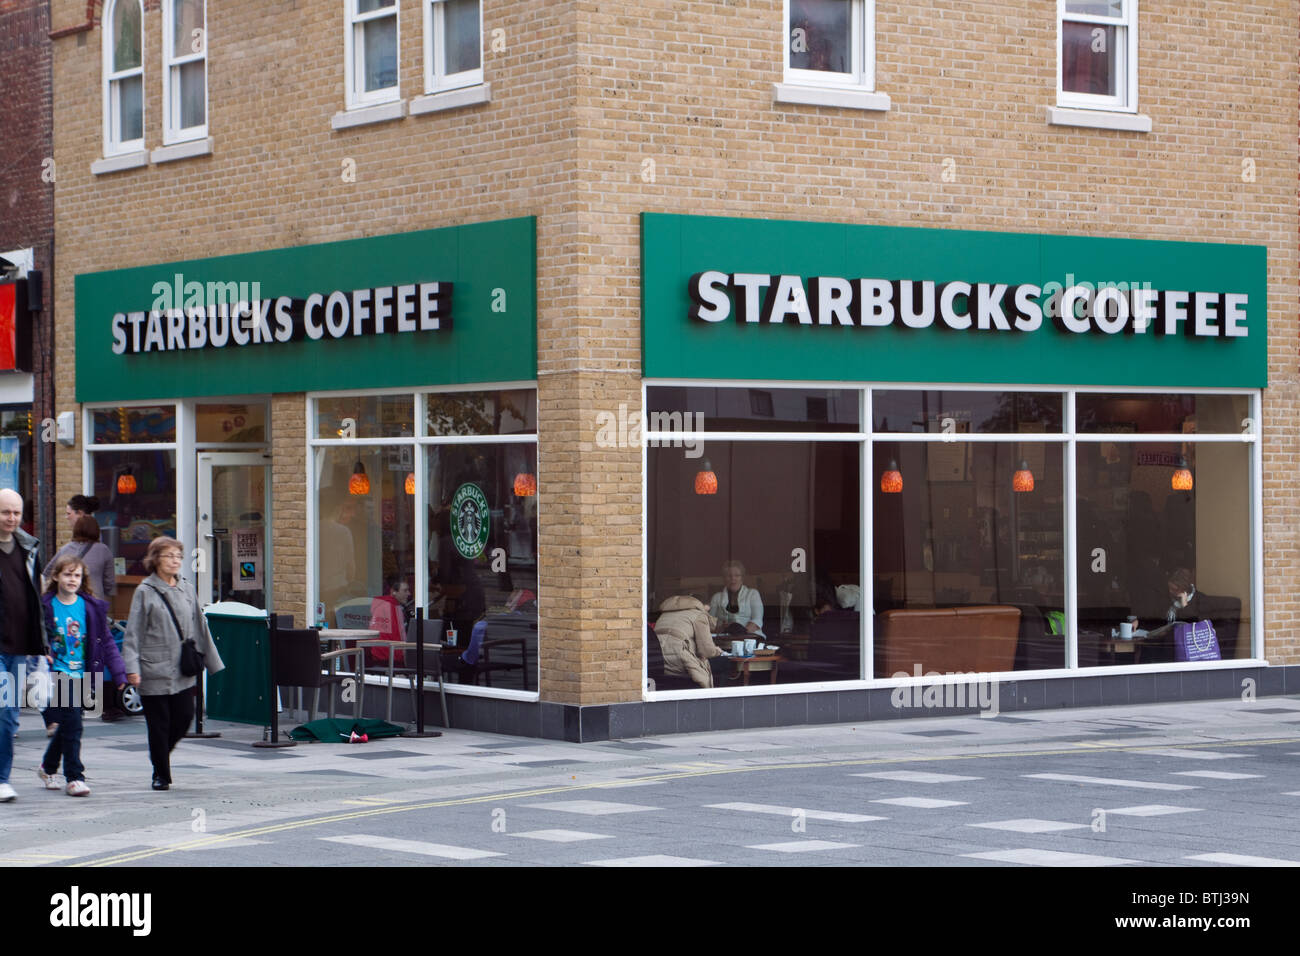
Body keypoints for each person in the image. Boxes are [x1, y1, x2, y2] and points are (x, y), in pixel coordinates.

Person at [122, 537, 224, 792]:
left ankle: (159, 754)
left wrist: (212, 662)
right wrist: (132, 667)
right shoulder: (145, 591)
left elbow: (200, 625)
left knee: (184, 717)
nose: (175, 561)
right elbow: (133, 633)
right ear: (156, 558)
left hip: (182, 667)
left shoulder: (187, 589)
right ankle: (161, 774)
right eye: (169, 556)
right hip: (153, 667)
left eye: (179, 556)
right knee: (159, 724)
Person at [38, 556, 126, 797]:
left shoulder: (90, 607)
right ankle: (75, 777)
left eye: (77, 575)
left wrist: (119, 673)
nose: (72, 580)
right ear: (56, 576)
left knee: (68, 722)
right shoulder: (45, 605)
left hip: (82, 673)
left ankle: (47, 767)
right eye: (67, 574)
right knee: (74, 723)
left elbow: (107, 642)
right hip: (56, 671)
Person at [45, 516, 121, 721]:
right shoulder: (104, 550)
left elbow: (46, 571)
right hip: (94, 607)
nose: (72, 578)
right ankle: (105, 703)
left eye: (76, 575)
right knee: (97, 652)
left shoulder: (66, 548)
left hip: (75, 607)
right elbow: (110, 584)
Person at [0, 488, 47, 803]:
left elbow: (38, 594)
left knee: (10, 716)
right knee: (4, 709)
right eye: (6, 512)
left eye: (16, 513)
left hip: (19, 646)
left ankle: (2, 778)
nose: (12, 518)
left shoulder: (28, 548)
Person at [654, 595, 726, 688]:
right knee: (724, 663)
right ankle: (718, 698)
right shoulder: (699, 615)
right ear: (703, 605)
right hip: (679, 660)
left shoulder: (664, 615)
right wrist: (718, 651)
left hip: (658, 661)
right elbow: (706, 651)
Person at [709, 560, 765, 637]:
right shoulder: (717, 597)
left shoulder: (752, 594)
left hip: (749, 637)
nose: (733, 578)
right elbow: (710, 624)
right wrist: (721, 628)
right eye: (729, 575)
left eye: (737, 575)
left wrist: (741, 634)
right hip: (724, 638)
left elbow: (757, 620)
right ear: (724, 578)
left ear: (742, 578)